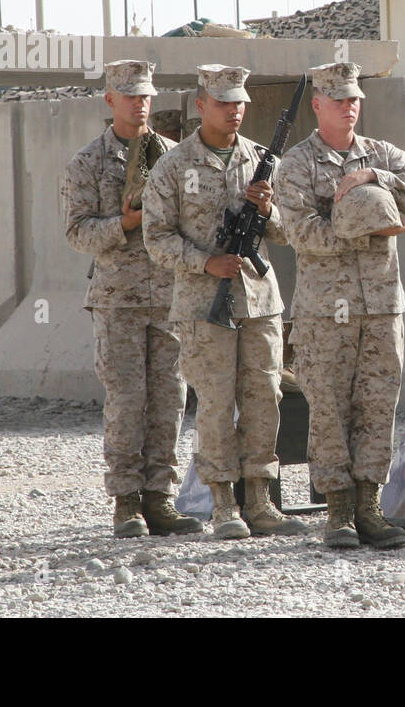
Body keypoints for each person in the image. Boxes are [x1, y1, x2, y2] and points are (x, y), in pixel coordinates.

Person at [142, 64, 304, 540]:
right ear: (202, 105)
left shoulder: (261, 160)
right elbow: (155, 238)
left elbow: (291, 232)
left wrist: (267, 208)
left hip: (259, 301)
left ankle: (260, 499)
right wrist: (204, 263)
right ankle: (223, 504)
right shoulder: (174, 166)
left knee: (264, 398)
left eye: (240, 104)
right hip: (202, 304)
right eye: (224, 102)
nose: (234, 111)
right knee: (215, 403)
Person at [278, 61, 405, 549]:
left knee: (377, 406)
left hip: (382, 305)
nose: (349, 107)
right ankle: (338, 511)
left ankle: (370, 506)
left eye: (355, 100)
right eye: (339, 100)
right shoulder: (297, 165)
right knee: (328, 408)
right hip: (327, 310)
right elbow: (300, 233)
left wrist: (375, 177)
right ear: (318, 105)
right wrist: (358, 226)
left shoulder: (382, 154)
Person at [61, 59, 202, 538]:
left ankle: (160, 497)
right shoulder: (88, 162)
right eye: (131, 96)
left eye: (146, 96)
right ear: (111, 100)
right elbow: (77, 232)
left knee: (169, 399)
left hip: (168, 296)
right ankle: (126, 502)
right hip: (117, 298)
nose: (140, 104)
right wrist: (123, 225)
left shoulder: (174, 157)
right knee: (126, 399)